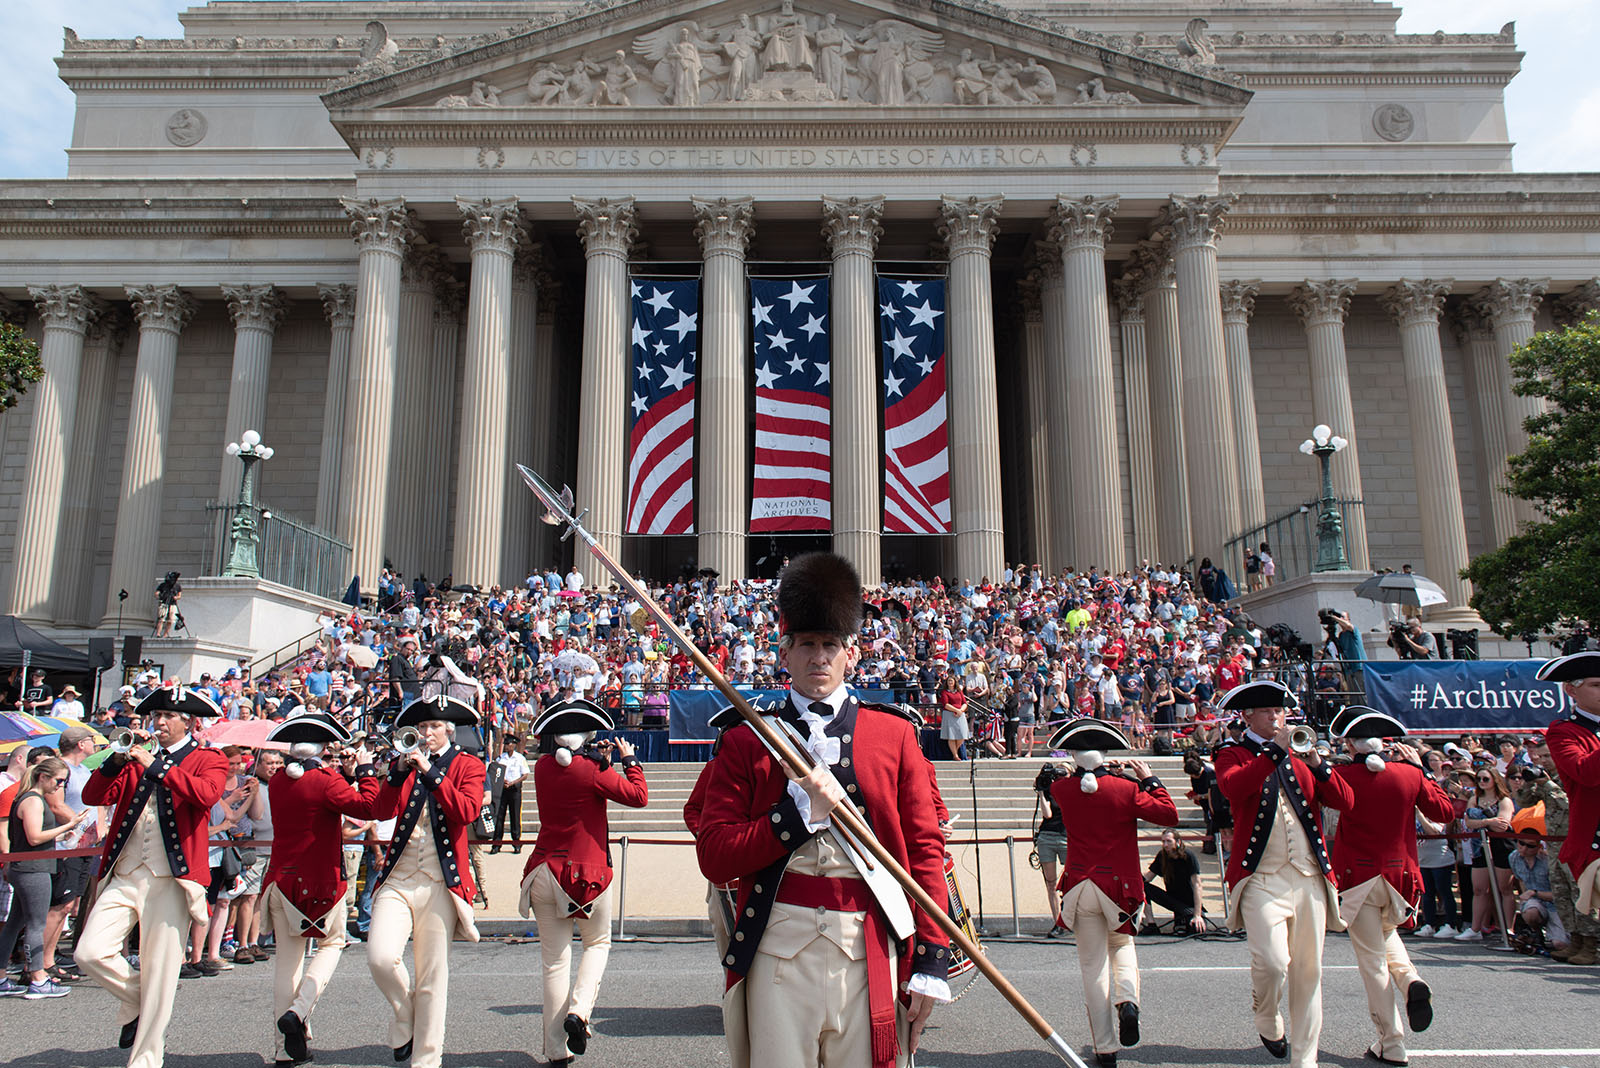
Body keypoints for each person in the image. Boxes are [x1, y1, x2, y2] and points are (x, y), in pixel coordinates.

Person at [694, 552, 951, 1068]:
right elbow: (716, 855)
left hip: (868, 944)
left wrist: (931, 955)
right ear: (784, 652)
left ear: (850, 654)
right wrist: (795, 818)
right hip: (776, 951)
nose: (819, 658)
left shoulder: (894, 735)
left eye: (830, 645)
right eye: (806, 644)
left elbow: (925, 849)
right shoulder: (747, 741)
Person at [74, 685, 229, 1068]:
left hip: (172, 878)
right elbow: (94, 796)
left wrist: (155, 765)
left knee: (160, 971)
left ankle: (146, 1060)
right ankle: (136, 999)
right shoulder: (134, 757)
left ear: (189, 723)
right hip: (126, 872)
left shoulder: (208, 758)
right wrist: (115, 759)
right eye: (156, 715)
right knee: (89, 952)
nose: (159, 722)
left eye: (168, 716)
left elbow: (206, 795)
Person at [1214, 680, 1353, 1068]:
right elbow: (1234, 788)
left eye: (1280, 711)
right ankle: (1266, 1016)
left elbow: (1346, 801)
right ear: (1248, 717)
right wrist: (1274, 751)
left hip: (1308, 875)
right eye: (1268, 712)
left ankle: (1305, 1059)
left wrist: (1319, 764)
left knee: (1309, 971)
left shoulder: (1301, 753)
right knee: (1273, 963)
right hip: (1261, 876)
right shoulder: (1232, 753)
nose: (1277, 717)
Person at [519, 699, 648, 1065]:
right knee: (597, 944)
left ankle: (555, 1049)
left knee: (554, 963)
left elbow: (570, 768)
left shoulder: (543, 767)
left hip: (544, 868)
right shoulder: (591, 770)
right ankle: (580, 1010)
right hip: (585, 873)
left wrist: (598, 760)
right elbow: (638, 797)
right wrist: (628, 760)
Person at [1326, 706, 1454, 1066]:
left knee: (1372, 962)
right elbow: (1445, 812)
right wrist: (1421, 769)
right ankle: (1410, 980)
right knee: (1385, 938)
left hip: (1359, 878)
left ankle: (1392, 1043)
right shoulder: (1409, 774)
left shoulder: (1341, 775)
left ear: (1350, 744)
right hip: (1401, 876)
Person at [367, 694, 487, 1068]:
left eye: (433, 726)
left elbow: (466, 811)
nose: (426, 732)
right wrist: (397, 773)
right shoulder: (405, 763)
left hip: (440, 880)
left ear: (449, 731)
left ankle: (427, 1059)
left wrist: (431, 773)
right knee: (380, 957)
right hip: (399, 877)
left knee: (433, 975)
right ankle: (406, 1016)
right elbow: (380, 810)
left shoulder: (468, 764)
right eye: (421, 726)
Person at [1049, 719, 1178, 1066]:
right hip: (1119, 886)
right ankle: (1128, 1000)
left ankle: (1105, 1048)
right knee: (1122, 946)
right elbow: (1169, 814)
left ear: (1073, 756)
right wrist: (1147, 779)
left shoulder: (1062, 789)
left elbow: (1074, 784)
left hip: (1080, 885)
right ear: (1105, 754)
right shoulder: (1126, 788)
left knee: (1093, 968)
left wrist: (1099, 773)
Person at [262, 711, 383, 1066]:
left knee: (287, 964)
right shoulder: (326, 780)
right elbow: (369, 806)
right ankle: (298, 1012)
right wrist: (364, 770)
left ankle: (283, 1049)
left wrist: (341, 772)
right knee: (331, 944)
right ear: (321, 750)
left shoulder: (279, 781)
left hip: (281, 878)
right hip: (319, 880)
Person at [0, 756, 91, 998]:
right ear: (43, 777)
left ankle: (3, 977)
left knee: (15, 924)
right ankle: (38, 979)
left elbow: (35, 838)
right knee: (35, 924)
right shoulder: (32, 800)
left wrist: (62, 835)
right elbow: (34, 837)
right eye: (59, 781)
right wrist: (68, 825)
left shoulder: (30, 798)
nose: (60, 786)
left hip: (30, 866)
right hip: (32, 869)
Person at [1535, 651, 1600, 965]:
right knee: (1578, 896)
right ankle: (1584, 942)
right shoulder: (1564, 731)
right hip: (1593, 838)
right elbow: (1586, 773)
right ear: (1571, 689)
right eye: (1597, 685)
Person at [1457, 765, 1514, 941]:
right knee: (1479, 889)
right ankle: (1475, 929)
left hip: (1501, 845)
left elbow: (1503, 824)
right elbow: (1469, 823)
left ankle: (1509, 929)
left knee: (1504, 888)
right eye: (1479, 779)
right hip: (1479, 845)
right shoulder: (1474, 799)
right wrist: (1489, 821)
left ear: (1495, 780)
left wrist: (1481, 821)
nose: (1481, 782)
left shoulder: (1504, 800)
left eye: (1485, 779)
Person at [1141, 830, 1206, 935]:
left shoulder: (1188, 856)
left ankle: (1188, 918)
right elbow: (1148, 877)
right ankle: (1151, 924)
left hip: (1189, 904)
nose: (1165, 845)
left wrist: (1197, 915)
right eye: (1163, 842)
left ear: (1178, 842)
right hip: (1172, 900)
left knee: (1195, 929)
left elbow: (1197, 885)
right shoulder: (1162, 856)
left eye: (1169, 841)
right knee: (1142, 886)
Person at [1032, 763, 1070, 936]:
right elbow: (1047, 814)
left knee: (1073, 880)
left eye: (1064, 772)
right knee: (1051, 883)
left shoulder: (1073, 791)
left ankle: (1069, 916)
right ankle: (1057, 921)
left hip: (1066, 837)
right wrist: (1041, 791)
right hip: (1047, 836)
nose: (1060, 775)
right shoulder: (1050, 790)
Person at [490, 735, 530, 854]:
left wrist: (513, 782)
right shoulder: (501, 758)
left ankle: (516, 843)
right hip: (502, 790)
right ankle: (497, 844)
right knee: (499, 817)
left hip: (514, 790)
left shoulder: (519, 758)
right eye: (506, 744)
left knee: (515, 816)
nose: (507, 746)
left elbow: (525, 774)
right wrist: (503, 781)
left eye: (509, 744)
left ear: (514, 745)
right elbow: (495, 772)